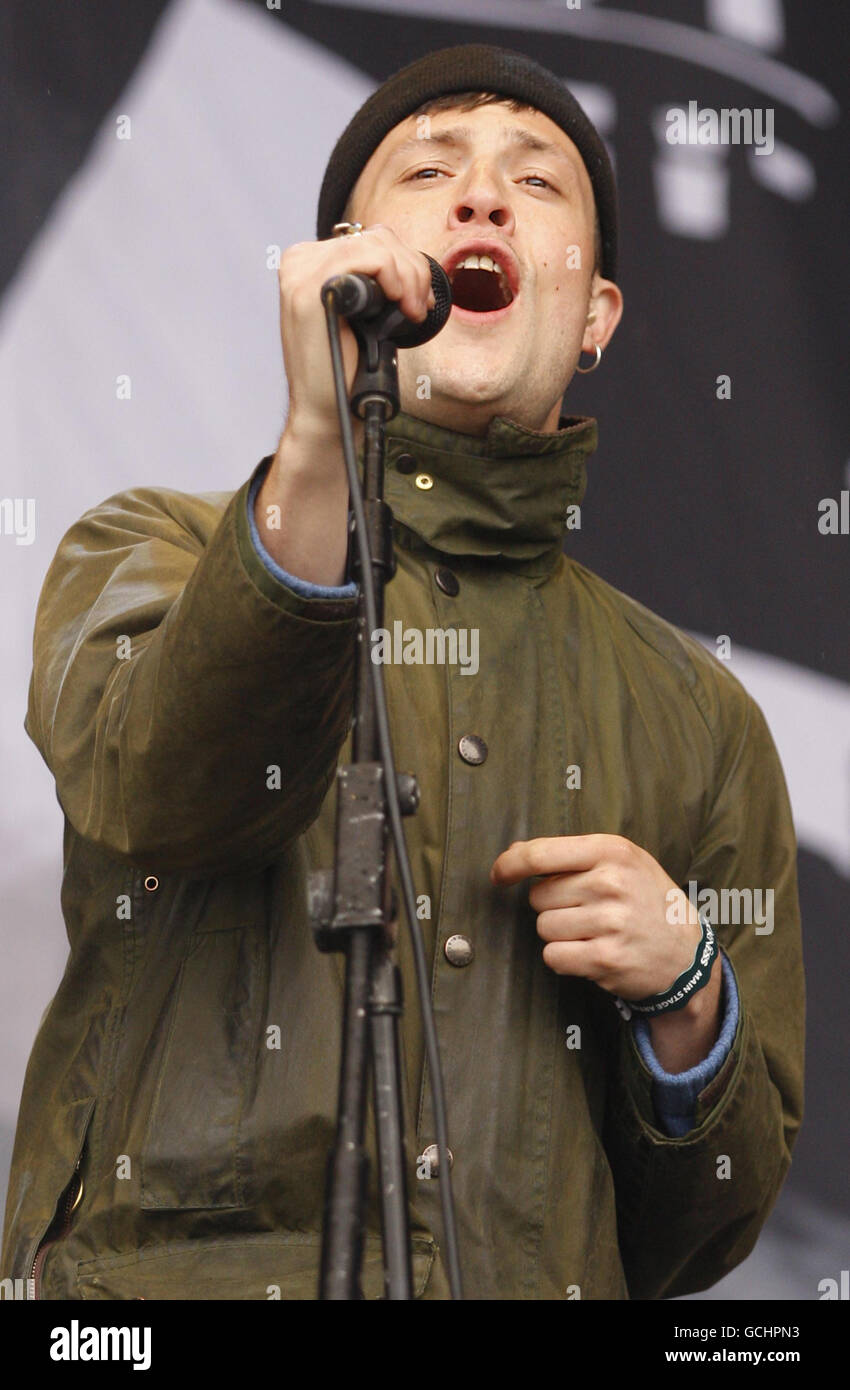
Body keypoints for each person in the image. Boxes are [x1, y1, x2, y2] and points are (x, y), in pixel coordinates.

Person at [2, 44, 803, 1301]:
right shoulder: (146, 546)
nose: (480, 196)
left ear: (592, 314)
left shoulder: (700, 718)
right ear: (338, 263)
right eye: (429, 168)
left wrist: (686, 999)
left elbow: (699, 1236)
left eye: (535, 184)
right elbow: (167, 795)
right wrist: (318, 441)